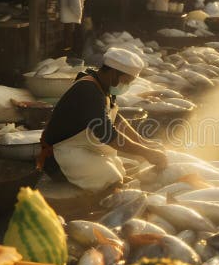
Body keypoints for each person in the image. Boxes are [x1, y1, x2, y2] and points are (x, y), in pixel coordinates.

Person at [38, 48, 167, 193]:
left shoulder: (103, 86)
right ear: (113, 74)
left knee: (120, 171)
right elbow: (107, 135)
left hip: (80, 148)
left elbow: (116, 118)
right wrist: (146, 152)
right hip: (59, 156)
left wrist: (142, 141)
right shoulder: (88, 90)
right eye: (126, 81)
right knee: (110, 178)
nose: (126, 86)